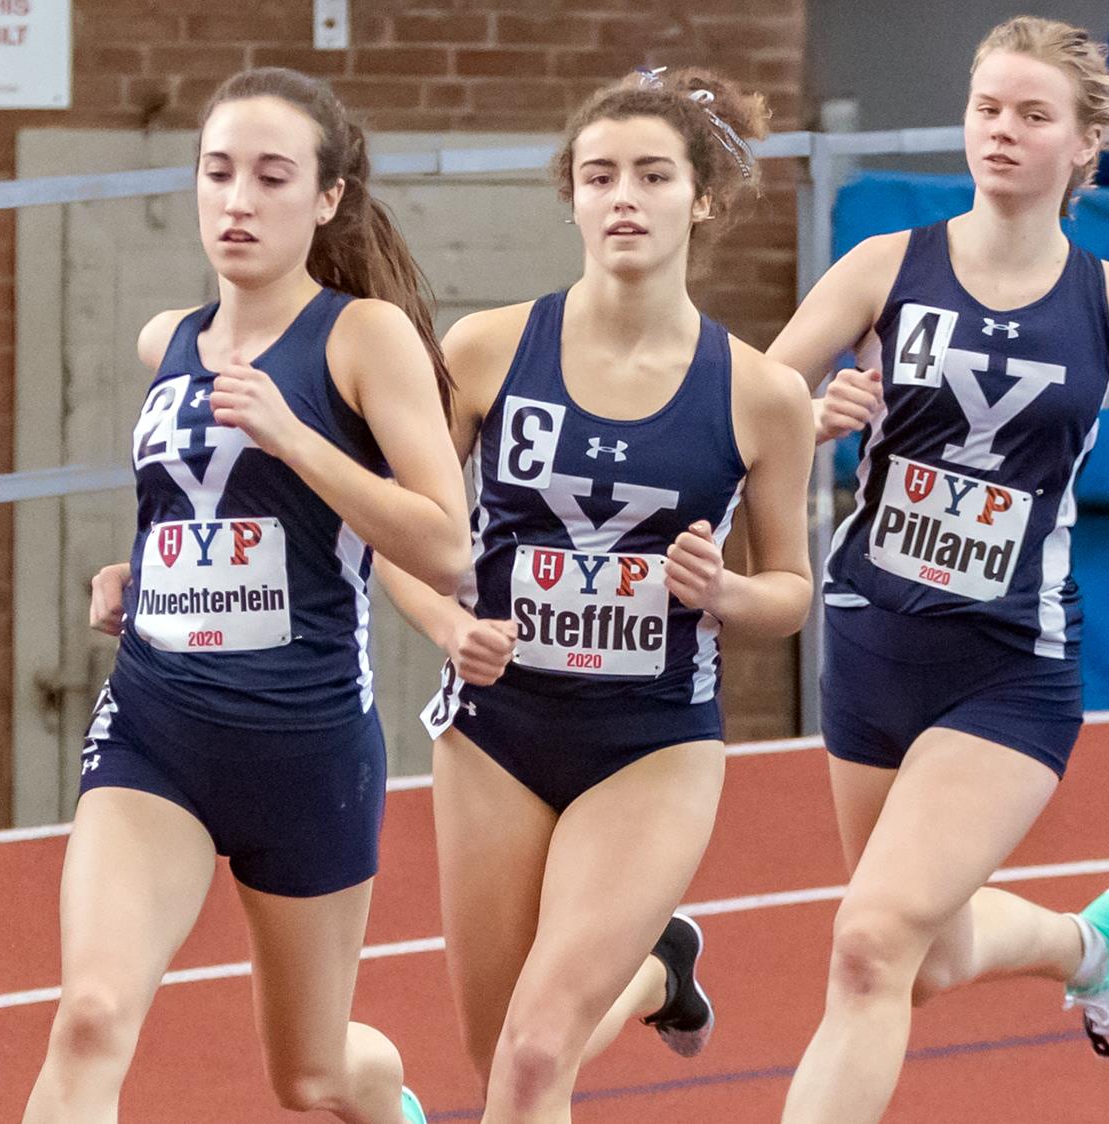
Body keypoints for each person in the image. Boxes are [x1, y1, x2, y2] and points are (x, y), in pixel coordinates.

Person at [768, 17, 1109, 1122]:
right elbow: (752, 400)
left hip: (1006, 664)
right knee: (921, 957)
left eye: (1033, 116)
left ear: (1082, 145)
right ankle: (1086, 943)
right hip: (875, 638)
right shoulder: (886, 265)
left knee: (871, 941)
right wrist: (814, 409)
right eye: (988, 109)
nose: (1003, 132)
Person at [25, 68, 469, 1124]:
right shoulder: (164, 340)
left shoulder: (363, 339)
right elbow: (200, 508)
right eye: (217, 172)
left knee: (309, 1076)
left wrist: (296, 434)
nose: (237, 199)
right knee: (89, 1016)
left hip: (304, 747)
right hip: (156, 730)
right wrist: (140, 572)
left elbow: (444, 543)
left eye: (271, 177)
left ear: (325, 198)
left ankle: (392, 1103)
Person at [375, 66, 815, 1124]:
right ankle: (662, 971)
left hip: (651, 741)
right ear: (568, 194)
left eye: (652, 175)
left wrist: (723, 591)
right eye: (599, 174)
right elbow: (396, 535)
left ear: (701, 198)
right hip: (495, 730)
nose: (623, 196)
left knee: (533, 1056)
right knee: (503, 1056)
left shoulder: (761, 394)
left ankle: (651, 964)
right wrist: (448, 622)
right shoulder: (483, 350)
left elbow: (792, 592)